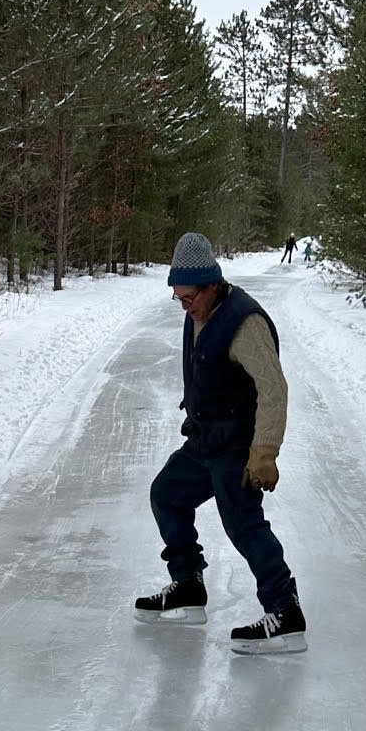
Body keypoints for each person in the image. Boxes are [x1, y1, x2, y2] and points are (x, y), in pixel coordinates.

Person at [134, 233, 307, 654]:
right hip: (205, 439)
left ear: (213, 285)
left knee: (242, 523)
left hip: (238, 446)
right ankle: (188, 586)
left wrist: (264, 452)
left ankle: (285, 613)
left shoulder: (245, 323)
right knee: (167, 494)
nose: (184, 306)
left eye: (189, 297)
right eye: (178, 298)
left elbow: (274, 390)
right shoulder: (199, 310)